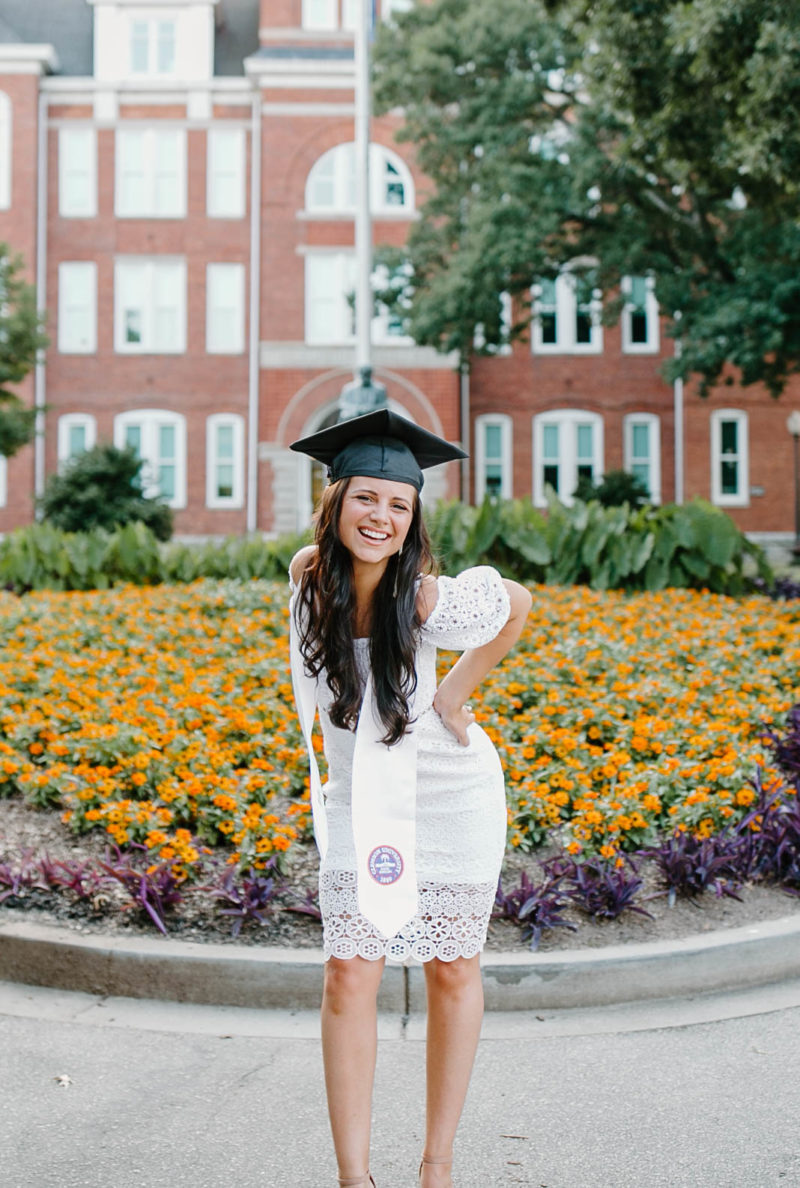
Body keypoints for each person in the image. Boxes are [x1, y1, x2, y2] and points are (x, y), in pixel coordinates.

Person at [288, 409, 532, 1188]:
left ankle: (437, 1166)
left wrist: (454, 698)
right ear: (336, 503)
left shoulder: (425, 600)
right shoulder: (307, 578)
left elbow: (517, 604)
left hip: (450, 796)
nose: (382, 517)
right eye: (367, 499)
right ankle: (353, 1178)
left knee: (452, 970)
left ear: (412, 520)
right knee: (348, 972)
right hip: (365, 799)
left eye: (399, 505)